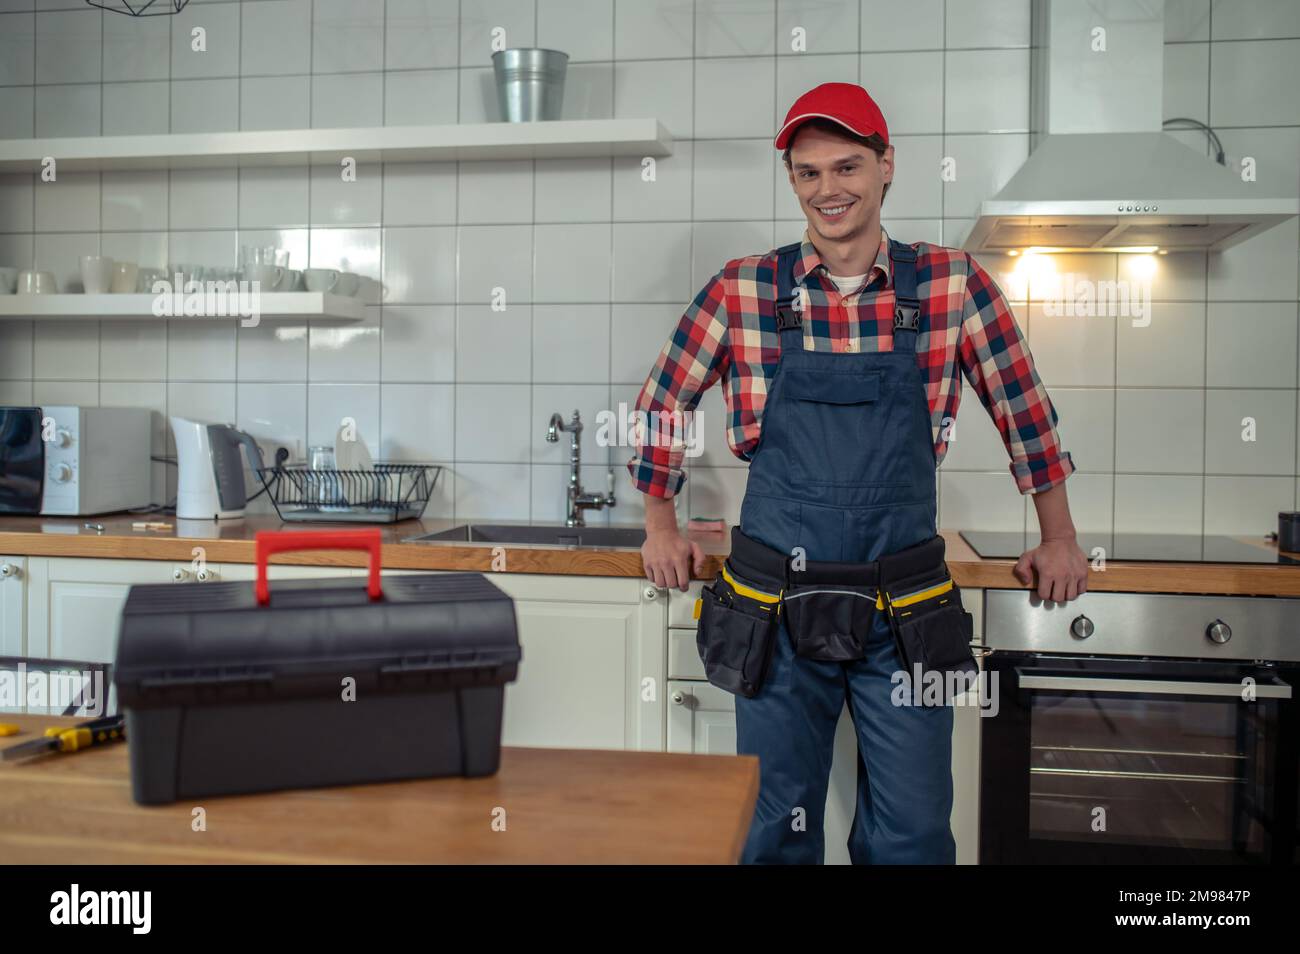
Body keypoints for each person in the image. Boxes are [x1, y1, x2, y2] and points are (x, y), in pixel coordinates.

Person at [628, 82, 1088, 864]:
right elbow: (662, 402)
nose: (827, 189)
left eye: (846, 167)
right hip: (773, 600)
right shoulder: (745, 287)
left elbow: (1025, 410)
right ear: (793, 182)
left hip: (905, 610)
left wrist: (1061, 538)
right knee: (772, 828)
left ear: (886, 167)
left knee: (911, 832)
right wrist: (659, 524)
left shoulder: (952, 284)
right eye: (807, 173)